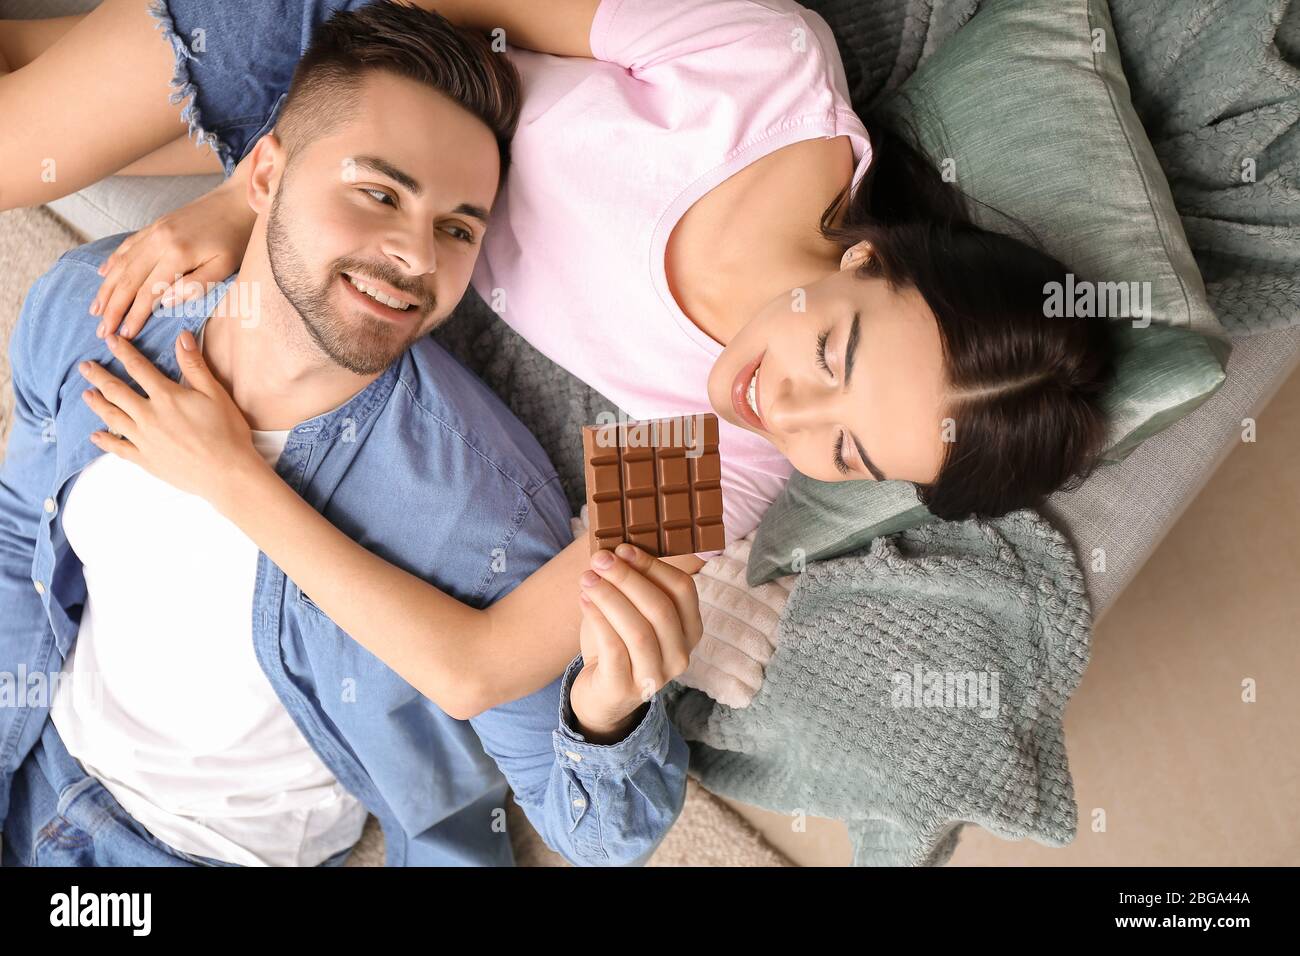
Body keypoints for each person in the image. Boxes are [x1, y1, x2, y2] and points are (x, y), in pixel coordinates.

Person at [0, 0, 1116, 717]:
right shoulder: (765, 79)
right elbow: (454, 5)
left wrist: (231, 476)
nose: (784, 403)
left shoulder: (717, 458)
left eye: (846, 444)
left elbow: (475, 666)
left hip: (345, 177)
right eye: (832, 350)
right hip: (360, 35)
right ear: (869, 256)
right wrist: (254, 193)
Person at [0, 1, 694, 868]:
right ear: (262, 178)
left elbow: (596, 832)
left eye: (456, 229)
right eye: (378, 193)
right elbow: (17, 532)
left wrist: (608, 714)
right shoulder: (93, 309)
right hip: (36, 759)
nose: (414, 255)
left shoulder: (482, 511)